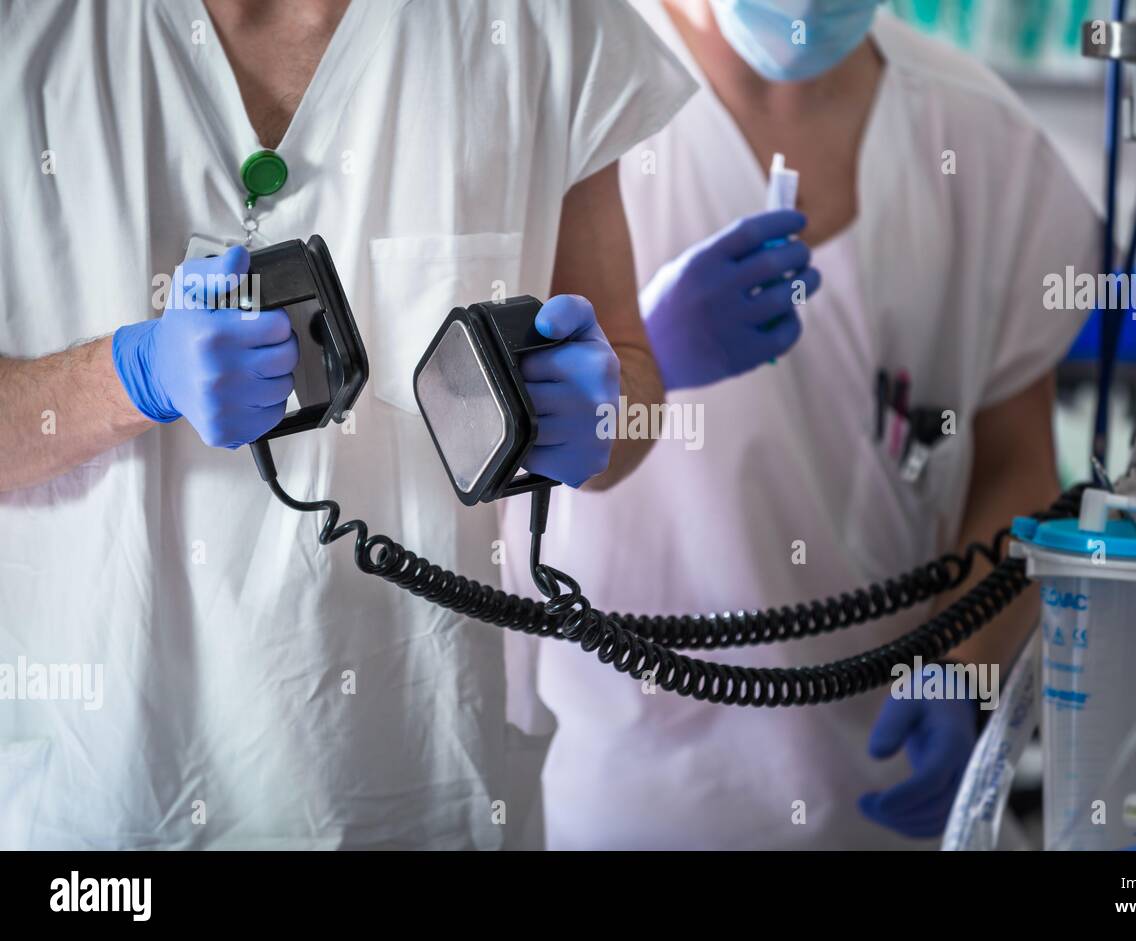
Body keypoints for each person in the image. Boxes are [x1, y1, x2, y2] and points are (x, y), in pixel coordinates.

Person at [0, 0, 695, 849]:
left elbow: (628, 376)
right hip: (109, 808)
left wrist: (595, 415)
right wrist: (133, 374)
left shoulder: (548, 24)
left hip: (430, 787)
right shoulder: (25, 35)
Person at [501, 0, 1100, 849]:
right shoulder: (580, 89)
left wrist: (965, 667)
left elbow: (1019, 468)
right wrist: (647, 357)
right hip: (631, 794)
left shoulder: (980, 139)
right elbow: (485, 434)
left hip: (890, 799)